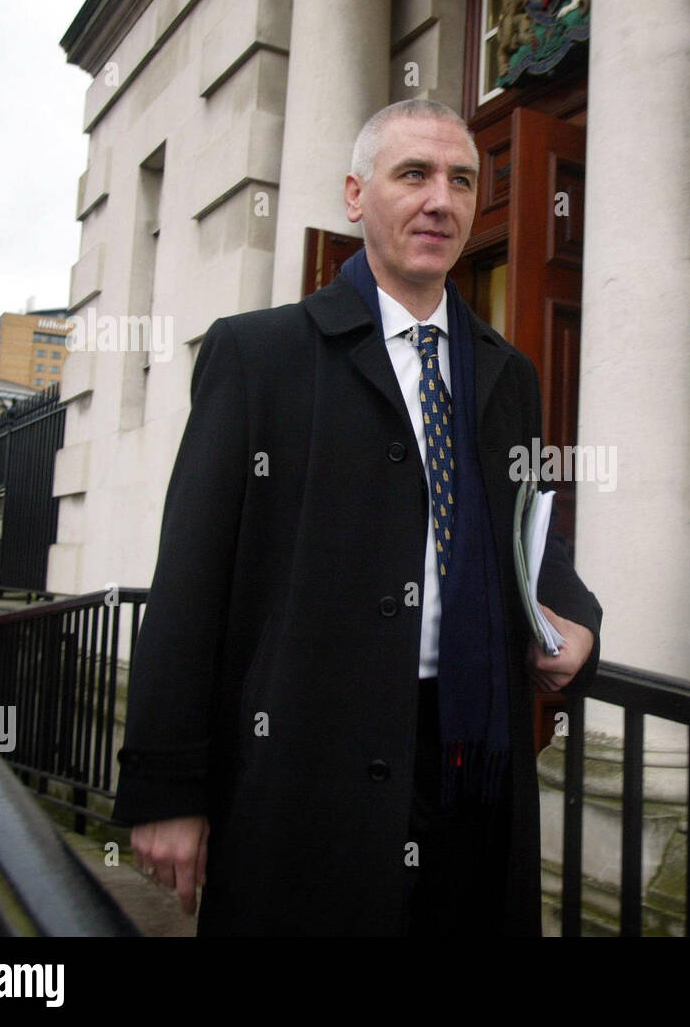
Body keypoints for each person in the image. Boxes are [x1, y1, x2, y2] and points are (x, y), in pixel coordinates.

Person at [111, 98, 602, 936]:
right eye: (412, 174)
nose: (439, 201)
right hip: (308, 765)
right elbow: (190, 580)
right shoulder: (258, 355)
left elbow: (527, 532)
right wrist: (166, 787)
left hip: (469, 766)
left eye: (460, 180)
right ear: (354, 195)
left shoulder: (506, 373)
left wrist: (577, 622)